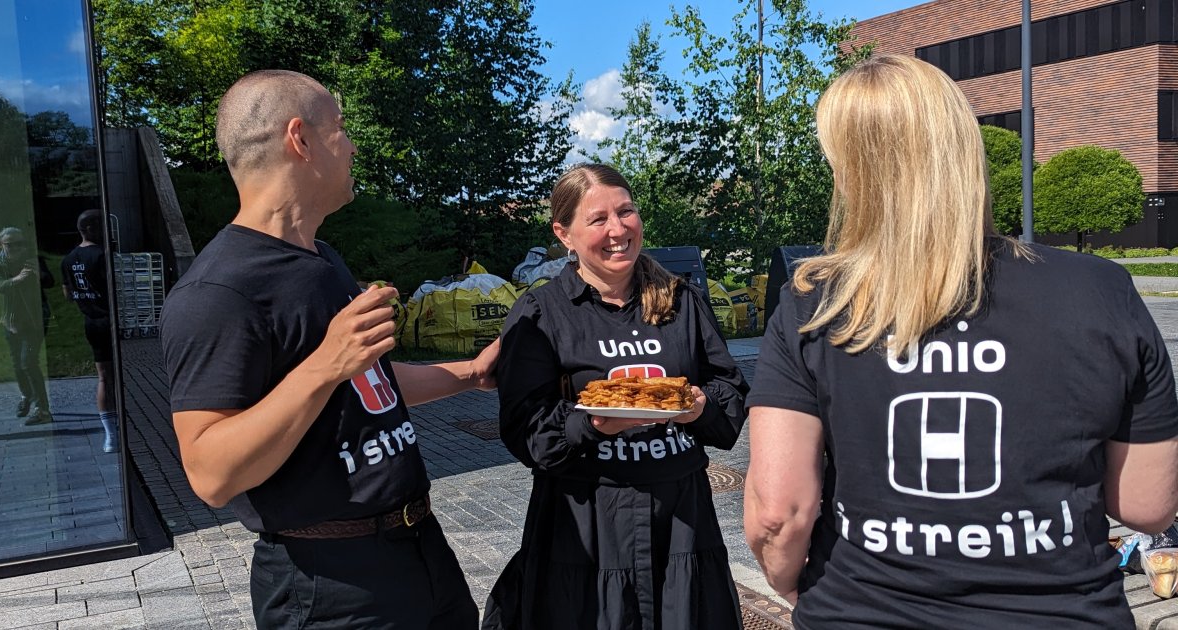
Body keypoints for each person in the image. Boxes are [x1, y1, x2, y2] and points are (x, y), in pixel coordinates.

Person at [743, 54, 1178, 629]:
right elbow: (1147, 506)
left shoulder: (815, 302)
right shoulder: (1099, 288)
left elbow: (778, 514)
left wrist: (796, 589)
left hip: (863, 610)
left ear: (849, 170)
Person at [160, 69, 499, 630]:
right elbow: (210, 473)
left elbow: (369, 389)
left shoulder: (323, 260)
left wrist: (471, 373)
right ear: (301, 139)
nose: (353, 145)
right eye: (340, 129)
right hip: (329, 586)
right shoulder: (218, 292)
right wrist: (324, 365)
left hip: (419, 552)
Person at [484, 163, 748, 630]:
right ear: (564, 234)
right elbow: (525, 428)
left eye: (626, 212)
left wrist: (697, 406)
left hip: (681, 521)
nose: (617, 229)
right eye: (598, 219)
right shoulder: (543, 312)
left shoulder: (681, 301)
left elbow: (729, 390)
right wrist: (590, 423)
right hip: (586, 524)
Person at [60, 209, 118, 453]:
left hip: (90, 321)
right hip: (110, 320)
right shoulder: (102, 256)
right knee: (121, 377)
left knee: (103, 377)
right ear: (93, 228)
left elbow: (68, 295)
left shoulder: (68, 259)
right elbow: (116, 289)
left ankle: (110, 437)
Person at [0, 227, 54, 425]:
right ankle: (27, 396)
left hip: (35, 319)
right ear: (1, 245)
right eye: (10, 244)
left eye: (19, 243)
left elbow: (50, 282)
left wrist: (39, 273)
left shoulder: (33, 259)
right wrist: (18, 279)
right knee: (17, 364)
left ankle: (42, 409)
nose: (16, 248)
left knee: (28, 362)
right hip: (11, 320)